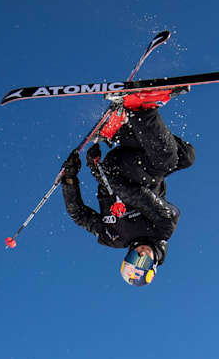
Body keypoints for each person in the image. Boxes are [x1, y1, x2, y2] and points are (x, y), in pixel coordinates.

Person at [61, 89, 195, 286]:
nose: (142, 253)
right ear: (154, 264)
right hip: (134, 172)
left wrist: (70, 179)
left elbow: (79, 215)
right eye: (144, 261)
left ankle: (135, 113)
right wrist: (102, 176)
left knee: (166, 159)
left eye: (134, 259)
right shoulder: (163, 227)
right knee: (185, 157)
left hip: (117, 167)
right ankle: (123, 126)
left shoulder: (113, 237)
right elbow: (139, 196)